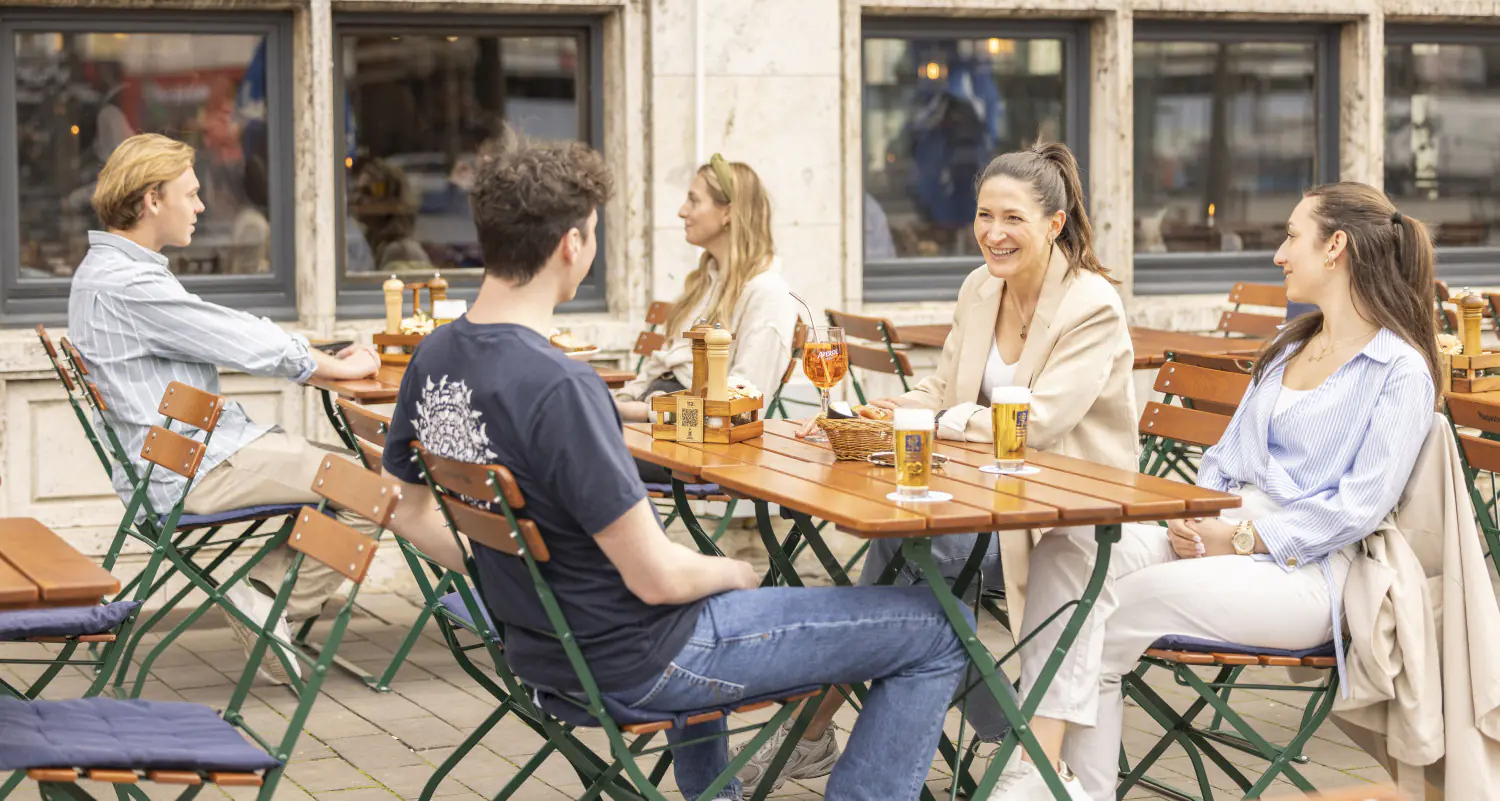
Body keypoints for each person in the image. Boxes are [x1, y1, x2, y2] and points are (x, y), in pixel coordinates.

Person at [380, 137, 970, 801]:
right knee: (937, 626)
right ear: (571, 245)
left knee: (703, 587)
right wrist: (735, 574)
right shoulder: (561, 387)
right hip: (642, 659)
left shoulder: (434, 357)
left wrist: (512, 568)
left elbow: (404, 507)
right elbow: (657, 578)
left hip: (547, 652)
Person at [990, 183, 1440, 801]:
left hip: (1307, 573)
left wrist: (1244, 537)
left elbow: (1358, 508)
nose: (1279, 254)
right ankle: (1048, 770)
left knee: (1109, 610)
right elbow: (1225, 457)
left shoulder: (1400, 371)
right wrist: (1196, 513)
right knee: (1066, 548)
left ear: (1336, 246)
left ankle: (1054, 784)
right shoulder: (1290, 348)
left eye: (1291, 236)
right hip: (1219, 534)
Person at [763, 143, 1138, 792]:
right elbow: (942, 392)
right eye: (984, 214)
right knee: (913, 557)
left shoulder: (1091, 304)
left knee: (920, 561)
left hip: (1060, 518)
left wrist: (938, 420)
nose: (993, 232)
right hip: (978, 498)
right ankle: (977, 729)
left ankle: (819, 723)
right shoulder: (978, 286)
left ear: (1054, 223)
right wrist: (867, 413)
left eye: (1013, 218)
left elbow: (1037, 423)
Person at [68, 133, 461, 681]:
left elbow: (219, 328)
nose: (203, 205)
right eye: (192, 193)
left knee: (366, 478)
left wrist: (314, 356)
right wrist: (328, 366)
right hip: (198, 468)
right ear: (153, 198)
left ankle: (266, 595)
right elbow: (231, 335)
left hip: (185, 459)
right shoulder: (126, 284)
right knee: (379, 485)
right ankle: (269, 601)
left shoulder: (108, 274)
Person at [613, 155, 797, 423]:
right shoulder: (704, 283)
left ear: (728, 213)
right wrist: (619, 403)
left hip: (686, 436)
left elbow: (741, 404)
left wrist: (640, 412)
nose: (682, 211)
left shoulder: (767, 293)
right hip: (655, 416)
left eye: (694, 201)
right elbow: (659, 368)